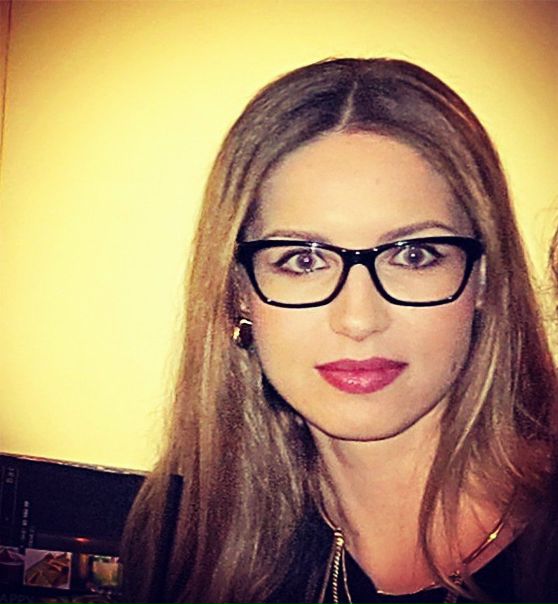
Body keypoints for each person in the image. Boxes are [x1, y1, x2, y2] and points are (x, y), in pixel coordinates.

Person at [121, 58, 558, 604]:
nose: (357, 320)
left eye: (414, 254)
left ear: (485, 281)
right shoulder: (181, 541)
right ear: (238, 292)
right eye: (302, 260)